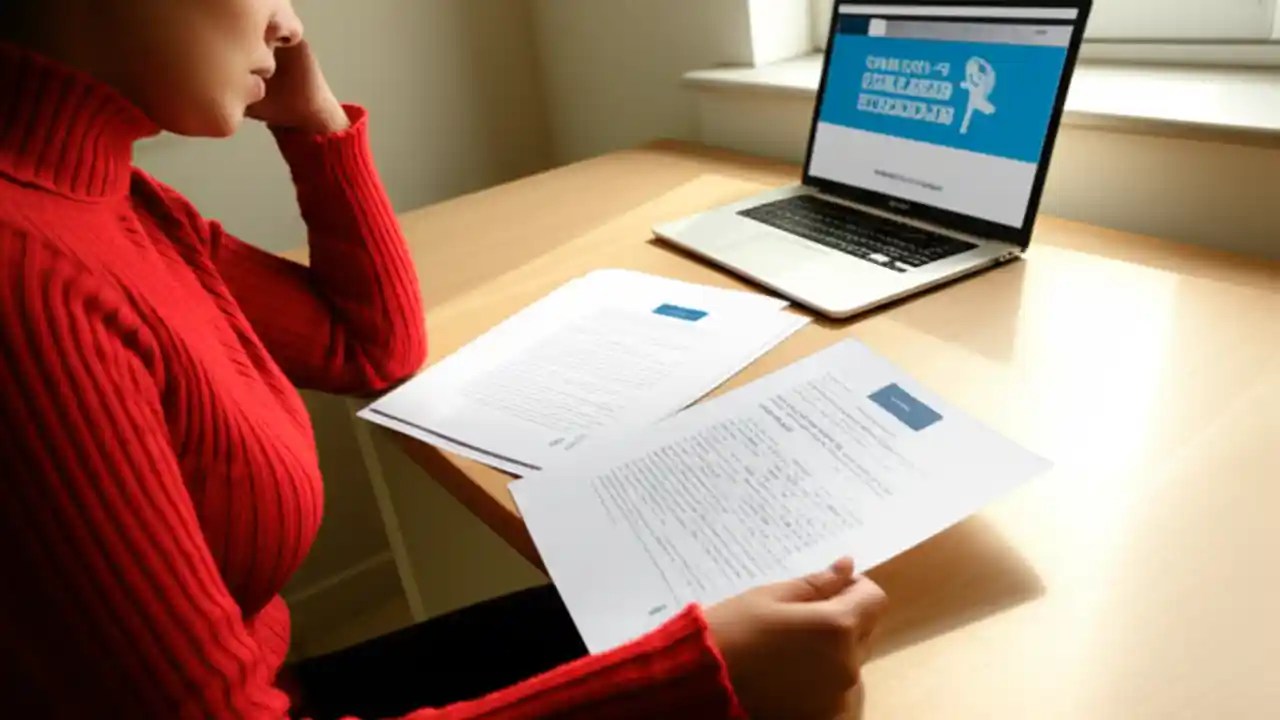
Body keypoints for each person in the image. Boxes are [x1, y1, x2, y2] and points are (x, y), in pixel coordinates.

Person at [0, 1, 889, 718]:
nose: (287, 23)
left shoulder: (109, 192)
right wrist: (692, 681)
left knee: (761, 597)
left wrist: (314, 124)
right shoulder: (27, 277)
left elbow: (368, 344)